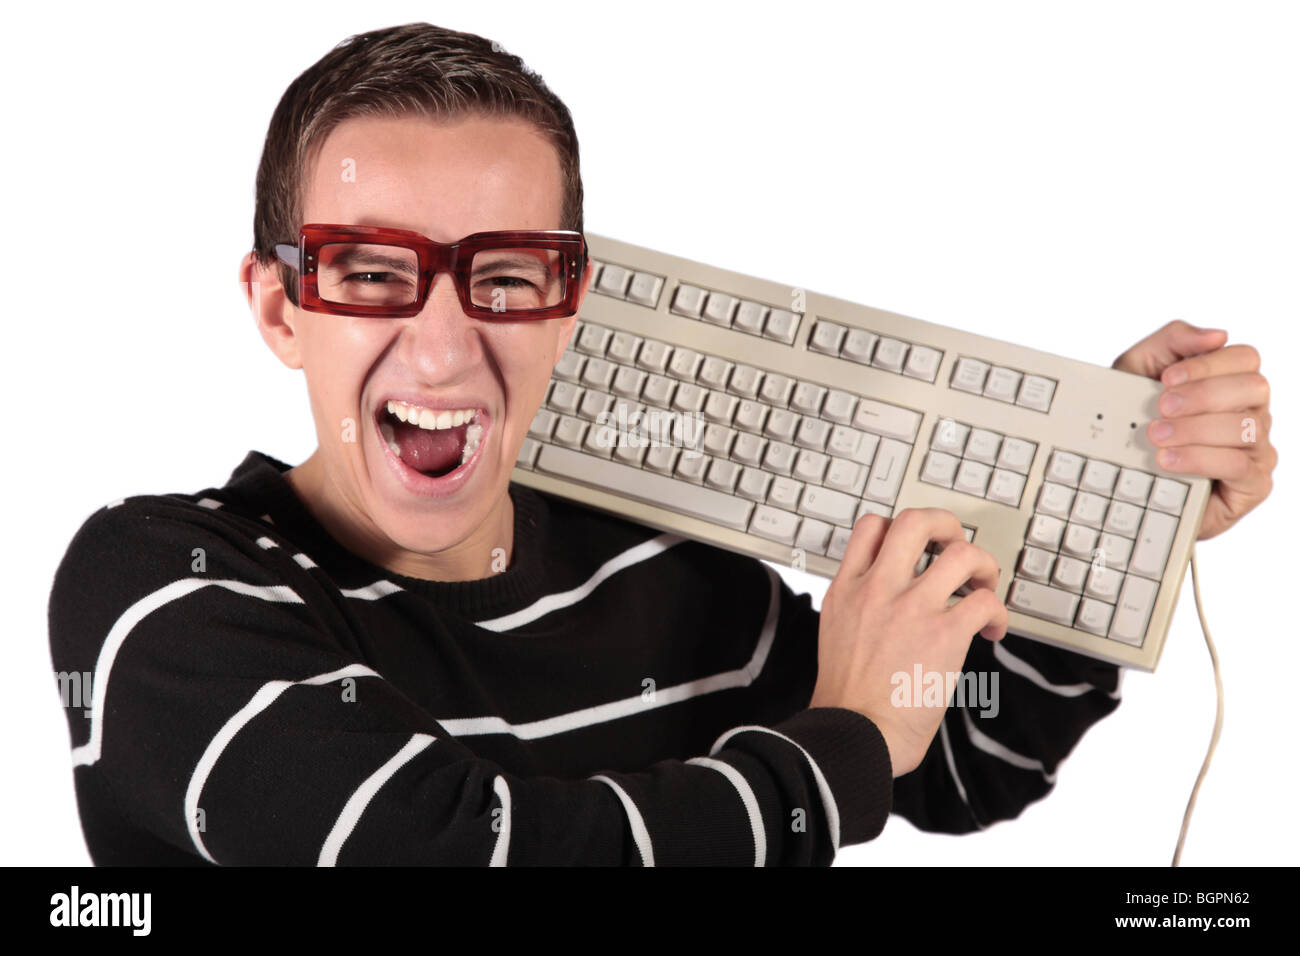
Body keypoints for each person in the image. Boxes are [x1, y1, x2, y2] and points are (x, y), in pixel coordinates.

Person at [47, 22, 1276, 866]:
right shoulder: (162, 587)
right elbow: (454, 849)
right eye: (373, 273)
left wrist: (1104, 512)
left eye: (506, 275)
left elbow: (947, 761)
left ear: (569, 305)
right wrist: (837, 741)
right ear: (279, 307)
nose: (438, 348)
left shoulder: (656, 567)